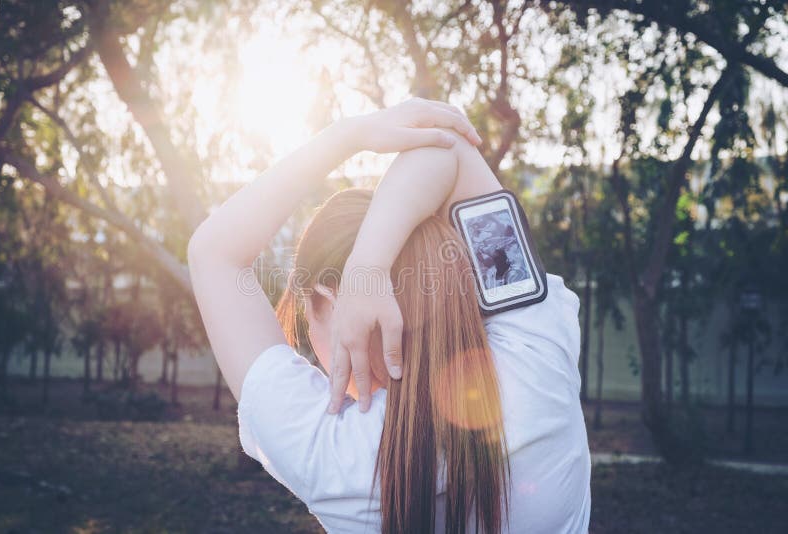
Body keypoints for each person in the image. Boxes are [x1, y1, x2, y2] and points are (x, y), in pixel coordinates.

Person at [187, 98, 592, 533]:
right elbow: (450, 150)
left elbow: (213, 252)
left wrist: (346, 135)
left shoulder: (325, 450)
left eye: (304, 317)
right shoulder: (536, 349)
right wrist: (370, 264)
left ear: (330, 299)